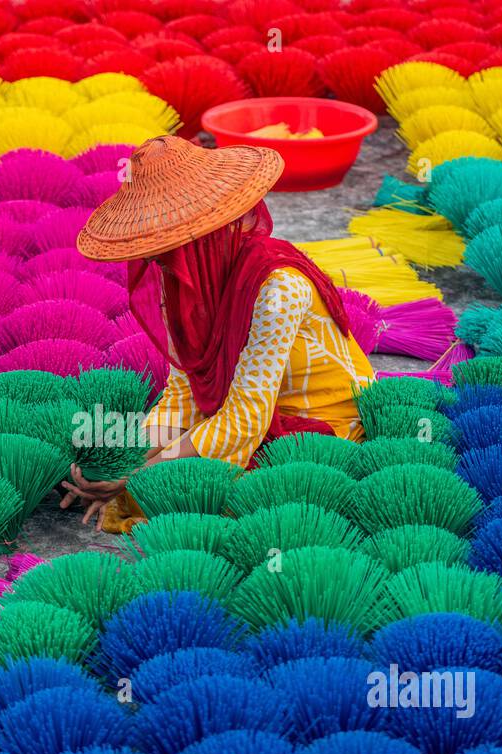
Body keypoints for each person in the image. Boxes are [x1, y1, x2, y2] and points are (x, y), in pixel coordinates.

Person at [63, 135, 375, 529]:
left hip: (321, 427)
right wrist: (121, 461)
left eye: (170, 249)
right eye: (158, 251)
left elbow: (245, 419)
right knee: (166, 488)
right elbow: (183, 396)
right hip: (250, 416)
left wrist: (142, 477)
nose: (161, 263)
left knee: (229, 505)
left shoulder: (278, 289)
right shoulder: (184, 279)